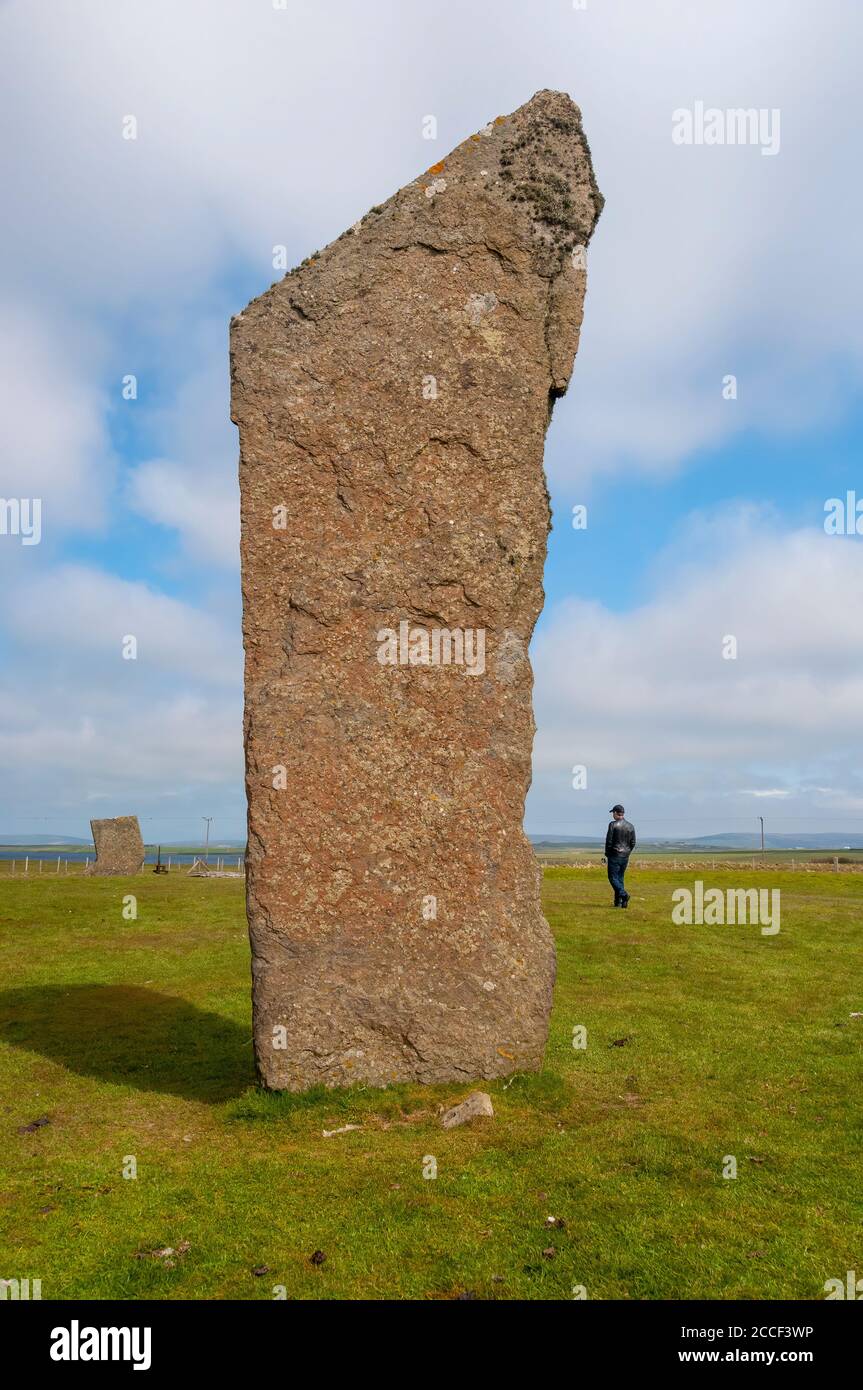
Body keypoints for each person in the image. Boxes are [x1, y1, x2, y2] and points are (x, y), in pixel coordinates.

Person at [604, 804, 636, 908]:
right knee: (620, 878)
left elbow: (609, 841)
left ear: (616, 813)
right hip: (625, 856)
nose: (612, 815)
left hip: (614, 855)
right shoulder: (630, 826)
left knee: (612, 878)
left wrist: (607, 853)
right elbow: (633, 842)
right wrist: (627, 852)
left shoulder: (612, 825)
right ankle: (619, 902)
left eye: (613, 813)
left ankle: (624, 895)